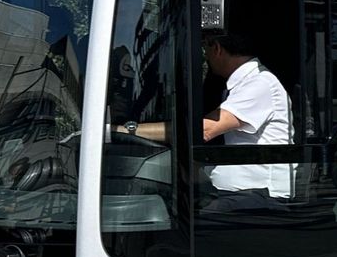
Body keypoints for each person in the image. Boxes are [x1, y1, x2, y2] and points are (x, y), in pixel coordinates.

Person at [116, 31, 293, 202]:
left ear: (216, 48)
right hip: (238, 194)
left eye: (204, 48)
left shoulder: (260, 83)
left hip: (260, 198)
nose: (205, 57)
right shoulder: (244, 84)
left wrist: (125, 130)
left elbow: (202, 130)